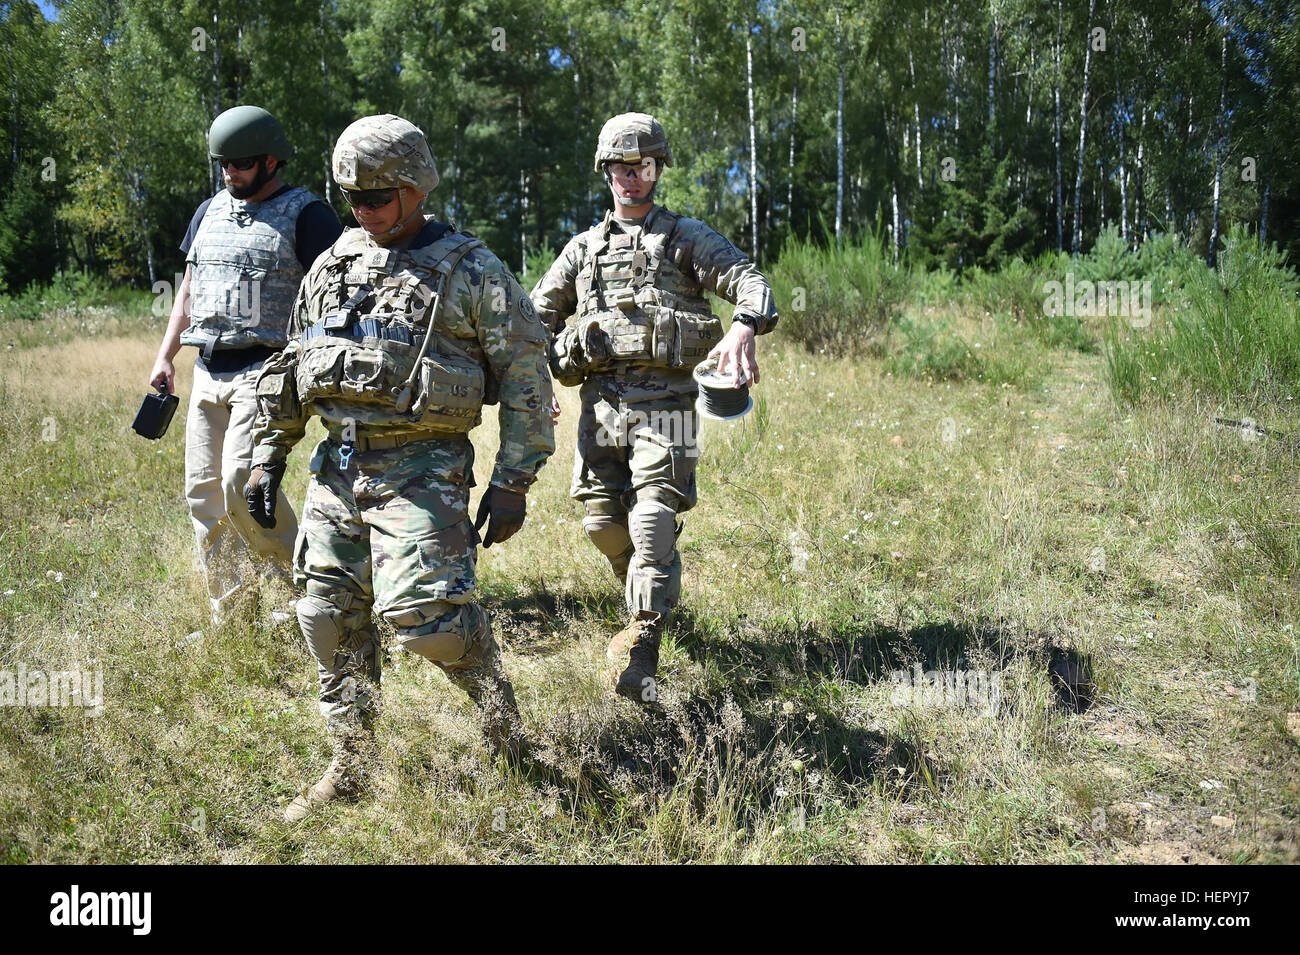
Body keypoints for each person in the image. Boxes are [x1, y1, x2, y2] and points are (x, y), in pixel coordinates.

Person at [244, 114, 554, 823]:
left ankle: (502, 720)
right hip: (338, 464)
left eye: (378, 196)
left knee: (427, 621)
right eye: (351, 196)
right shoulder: (335, 262)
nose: (363, 210)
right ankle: (351, 765)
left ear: (416, 190)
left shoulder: (472, 268)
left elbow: (528, 379)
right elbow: (295, 365)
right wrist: (268, 454)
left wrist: (513, 481)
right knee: (324, 612)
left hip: (424, 464)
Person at [531, 112, 778, 703]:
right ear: (606, 172)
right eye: (621, 166)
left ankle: (643, 641)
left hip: (668, 407)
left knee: (650, 518)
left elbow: (749, 282)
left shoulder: (685, 237)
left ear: (658, 168)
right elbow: (532, 321)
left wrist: (743, 327)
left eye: (643, 165)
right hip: (602, 408)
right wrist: (539, 374)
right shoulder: (583, 250)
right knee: (601, 524)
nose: (632, 177)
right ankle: (646, 584)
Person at [148, 105, 342, 622]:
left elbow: (337, 293)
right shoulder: (209, 211)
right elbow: (189, 286)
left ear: (273, 160)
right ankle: (231, 615)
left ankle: (305, 594)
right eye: (224, 165)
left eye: (242, 163)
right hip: (207, 370)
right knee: (204, 496)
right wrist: (166, 356)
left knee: (242, 483)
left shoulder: (310, 215)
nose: (231, 173)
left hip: (267, 369)